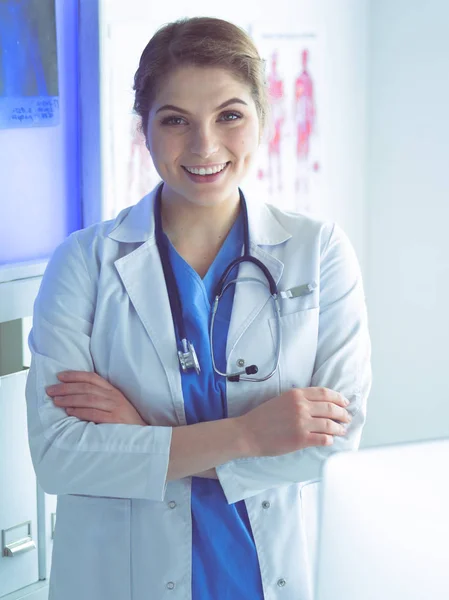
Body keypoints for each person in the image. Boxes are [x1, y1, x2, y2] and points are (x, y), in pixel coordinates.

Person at [25, 16, 371, 600]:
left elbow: (333, 445)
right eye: (175, 121)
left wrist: (144, 439)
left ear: (261, 118)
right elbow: (60, 457)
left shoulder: (320, 253)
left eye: (229, 115)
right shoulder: (84, 263)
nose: (204, 146)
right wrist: (251, 435)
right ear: (146, 130)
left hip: (262, 576)